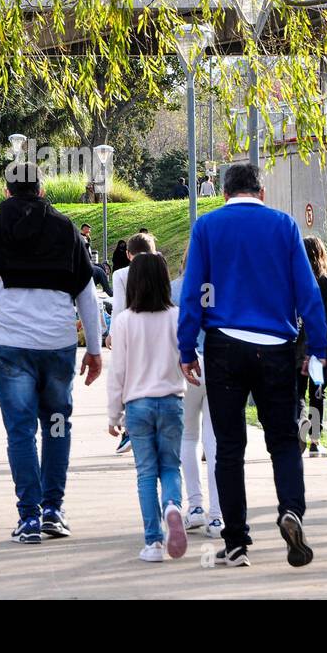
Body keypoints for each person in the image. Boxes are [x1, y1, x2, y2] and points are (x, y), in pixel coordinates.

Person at [177, 162, 327, 569]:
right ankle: (291, 509)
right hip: (276, 347)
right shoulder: (284, 226)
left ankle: (237, 540)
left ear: (224, 193)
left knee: (228, 447)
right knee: (282, 440)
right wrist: (318, 345)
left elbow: (193, 292)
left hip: (224, 346)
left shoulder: (207, 227)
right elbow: (308, 291)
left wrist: (187, 347)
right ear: (262, 193)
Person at [0, 161, 104, 545]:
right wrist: (96, 348)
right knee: (56, 426)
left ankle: (29, 517)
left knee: (20, 431)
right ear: (41, 190)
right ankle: (54, 509)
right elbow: (86, 292)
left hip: (12, 347)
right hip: (57, 346)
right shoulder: (67, 229)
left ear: (6, 192)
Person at [106, 252, 192, 562]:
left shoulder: (124, 322)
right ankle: (172, 505)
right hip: (171, 401)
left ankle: (154, 542)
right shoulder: (177, 316)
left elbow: (117, 372)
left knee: (145, 473)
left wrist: (113, 413)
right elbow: (187, 356)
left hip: (137, 405)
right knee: (171, 465)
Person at [171, 245, 222, 538]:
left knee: (187, 437)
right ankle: (217, 514)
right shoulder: (221, 287)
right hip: (217, 365)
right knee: (214, 441)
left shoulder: (175, 288)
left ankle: (195, 506)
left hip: (187, 365)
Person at [110, 231, 157, 454]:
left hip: (130, 331)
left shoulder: (120, 275)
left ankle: (130, 430)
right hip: (157, 330)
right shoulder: (160, 271)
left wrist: (112, 333)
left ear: (129, 254)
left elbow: (119, 306)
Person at [301, 236, 327, 458]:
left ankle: (300, 426)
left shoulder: (297, 281)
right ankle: (315, 441)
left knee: (298, 392)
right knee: (318, 392)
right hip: (322, 348)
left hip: (298, 346)